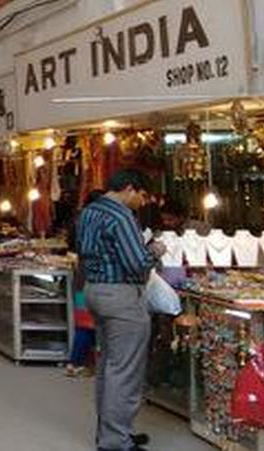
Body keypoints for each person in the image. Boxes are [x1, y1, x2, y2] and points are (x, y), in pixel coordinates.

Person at [78, 169, 165, 451]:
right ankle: (115, 442)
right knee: (125, 370)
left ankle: (110, 432)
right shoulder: (121, 216)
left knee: (109, 366)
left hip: (95, 291)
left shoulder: (89, 211)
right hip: (121, 296)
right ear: (130, 189)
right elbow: (137, 264)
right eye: (142, 196)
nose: (143, 202)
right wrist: (155, 250)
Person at [66, 189, 104, 378]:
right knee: (87, 323)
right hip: (91, 278)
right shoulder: (95, 223)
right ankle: (77, 362)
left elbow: (70, 244)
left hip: (82, 277)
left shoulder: (80, 220)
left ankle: (80, 362)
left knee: (85, 322)